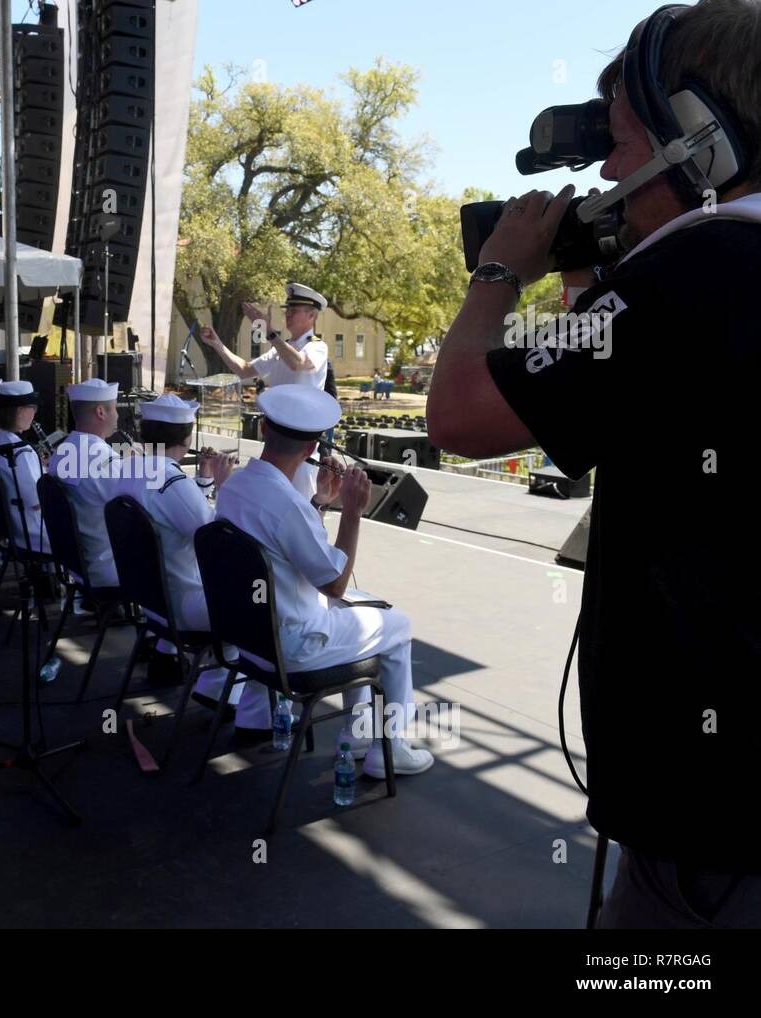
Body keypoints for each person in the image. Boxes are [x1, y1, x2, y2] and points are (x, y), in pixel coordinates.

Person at [427, 0, 761, 928]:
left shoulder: (700, 270)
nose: (606, 174)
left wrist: (497, 273)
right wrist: (595, 281)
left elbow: (459, 416)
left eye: (618, 143)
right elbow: (627, 392)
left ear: (699, 145)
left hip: (707, 831)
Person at [216, 385, 433, 774]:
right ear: (311, 449)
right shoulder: (287, 505)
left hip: (250, 639)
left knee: (364, 609)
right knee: (397, 625)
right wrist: (352, 514)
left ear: (263, 428)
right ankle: (390, 748)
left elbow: (290, 552)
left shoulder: (234, 488)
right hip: (293, 648)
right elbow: (332, 582)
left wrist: (319, 503)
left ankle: (359, 735)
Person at [113, 394, 255, 712]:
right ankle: (218, 686)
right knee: (260, 605)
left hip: (150, 600)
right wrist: (224, 485)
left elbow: (179, 518)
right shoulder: (174, 481)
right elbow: (215, 543)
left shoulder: (126, 470)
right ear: (187, 436)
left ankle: (169, 657)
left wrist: (202, 480)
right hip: (182, 604)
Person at [46, 377, 123, 588]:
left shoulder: (62, 452)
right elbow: (140, 511)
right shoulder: (105, 461)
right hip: (107, 566)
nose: (117, 415)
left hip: (76, 564)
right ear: (101, 412)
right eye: (114, 409)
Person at [199, 282, 334, 396]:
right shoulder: (281, 348)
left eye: (294, 310)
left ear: (311, 316)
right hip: (276, 421)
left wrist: (269, 332)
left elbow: (298, 363)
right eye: (287, 310)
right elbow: (245, 370)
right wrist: (216, 343)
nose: (287, 314)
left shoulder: (317, 346)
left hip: (302, 425)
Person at [0, 380, 49, 553]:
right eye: (32, 407)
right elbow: (36, 501)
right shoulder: (21, 452)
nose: (34, 413)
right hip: (34, 533)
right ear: (20, 411)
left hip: (16, 529)